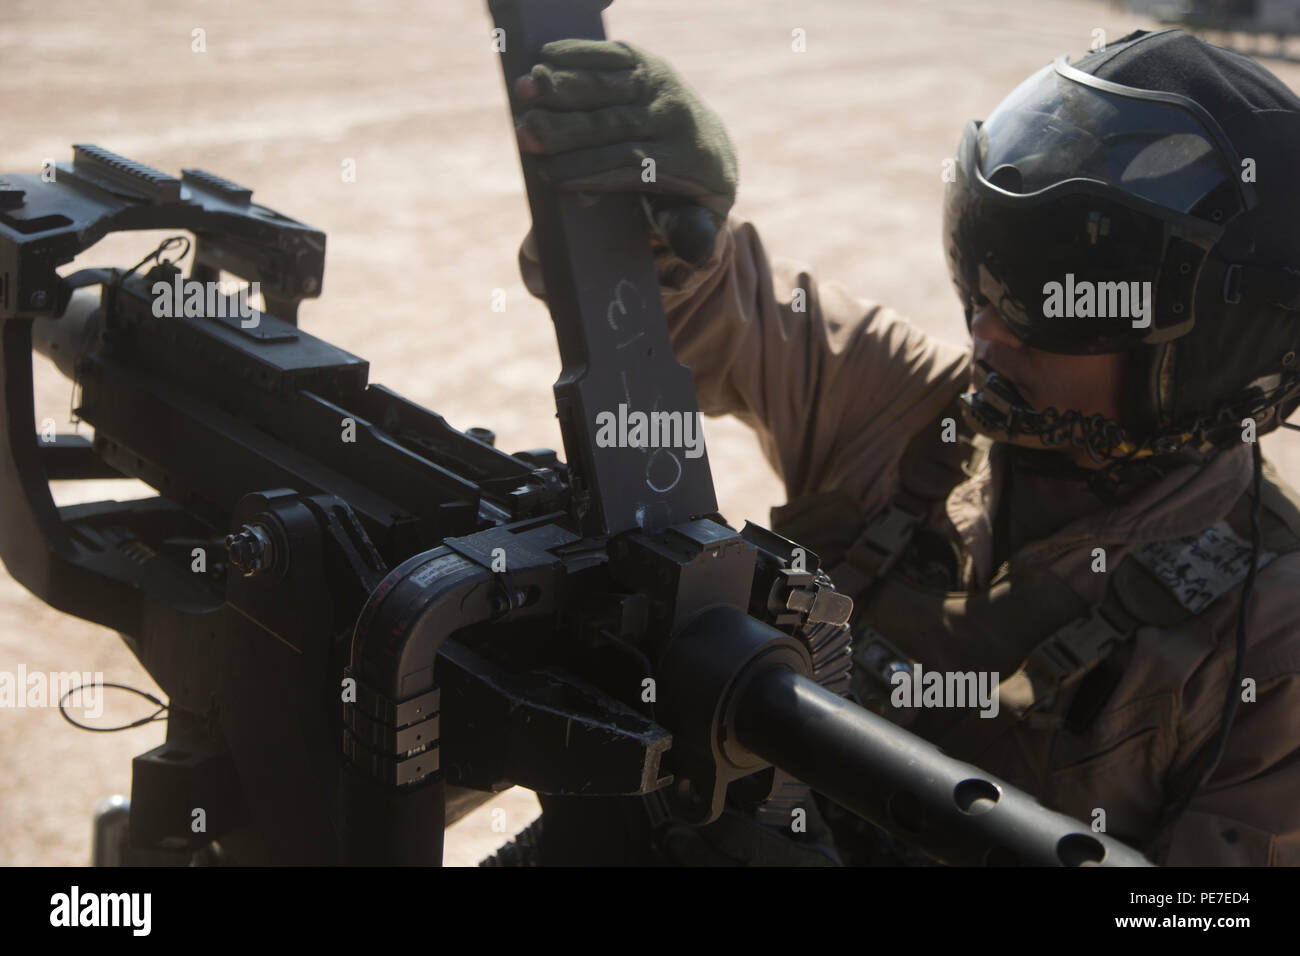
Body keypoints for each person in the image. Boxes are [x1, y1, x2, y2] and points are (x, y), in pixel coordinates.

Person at [513, 28, 1300, 865]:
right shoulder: (917, 412)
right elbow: (714, 314)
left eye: (1058, 299)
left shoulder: (1272, 642)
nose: (988, 325)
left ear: (1216, 354)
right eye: (988, 266)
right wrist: (658, 219)